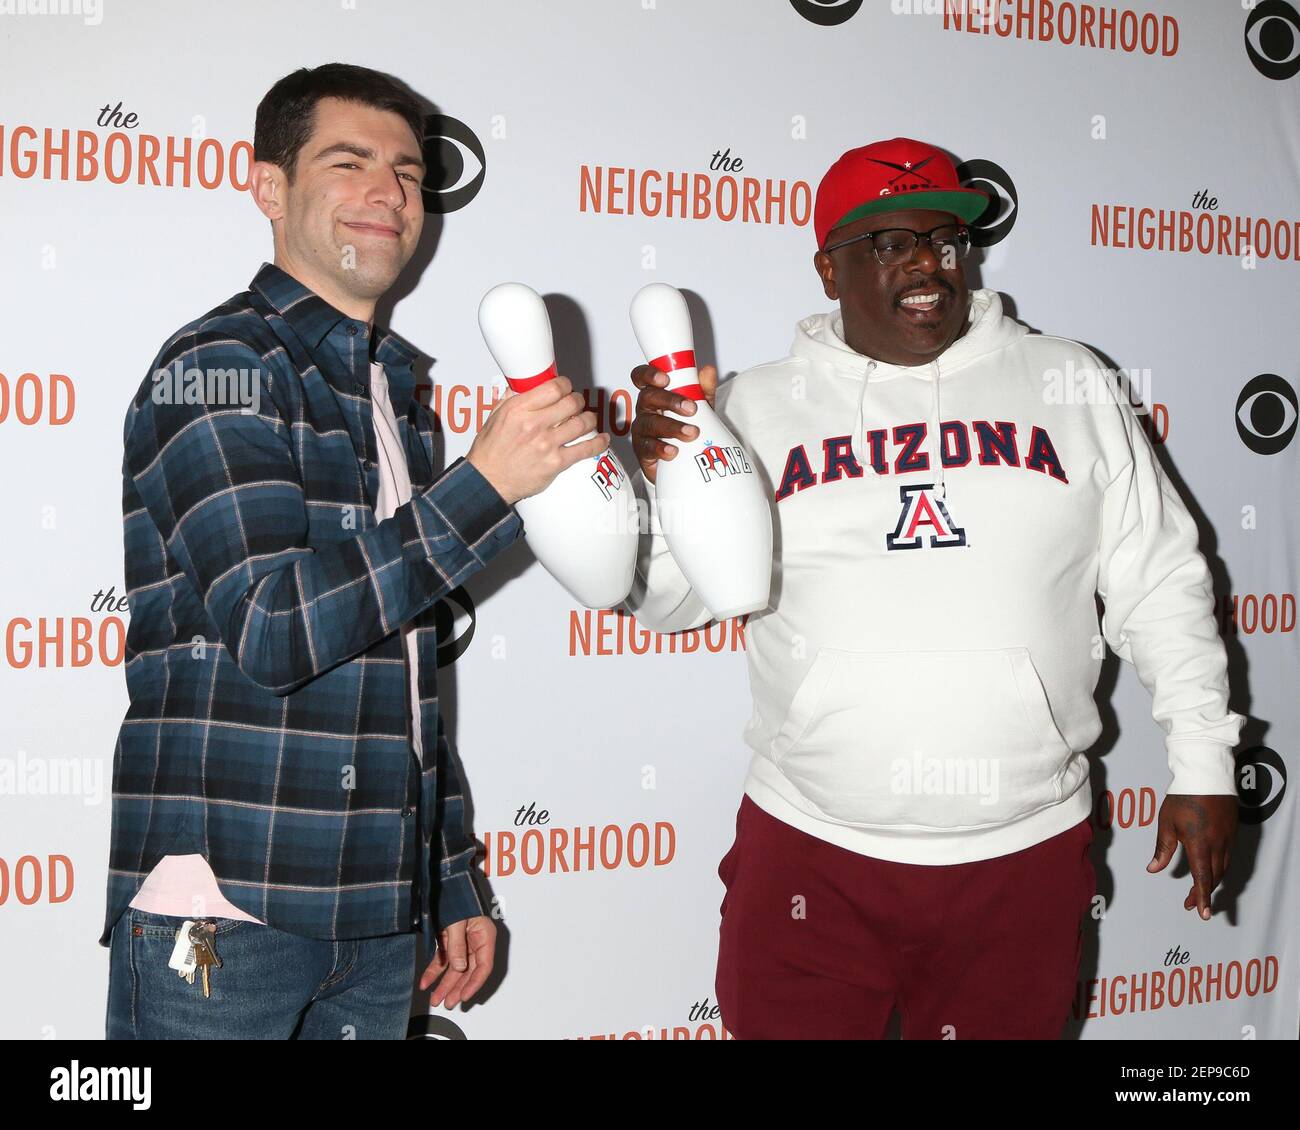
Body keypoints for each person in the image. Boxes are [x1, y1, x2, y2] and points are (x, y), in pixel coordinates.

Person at [626, 136, 1243, 1040]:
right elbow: (667, 600)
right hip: (812, 853)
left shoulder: (1068, 381)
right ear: (828, 271)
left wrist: (1204, 762)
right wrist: (667, 475)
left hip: (1022, 852)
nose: (925, 262)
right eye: (888, 242)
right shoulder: (754, 409)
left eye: (945, 239)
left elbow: (1160, 581)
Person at [101, 63, 608, 1039]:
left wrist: (446, 872)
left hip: (376, 911)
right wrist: (486, 482)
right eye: (351, 162)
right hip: (224, 913)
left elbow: (403, 669)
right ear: (269, 187)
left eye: (411, 173)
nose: (390, 193)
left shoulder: (394, 390)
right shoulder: (217, 368)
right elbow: (273, 626)